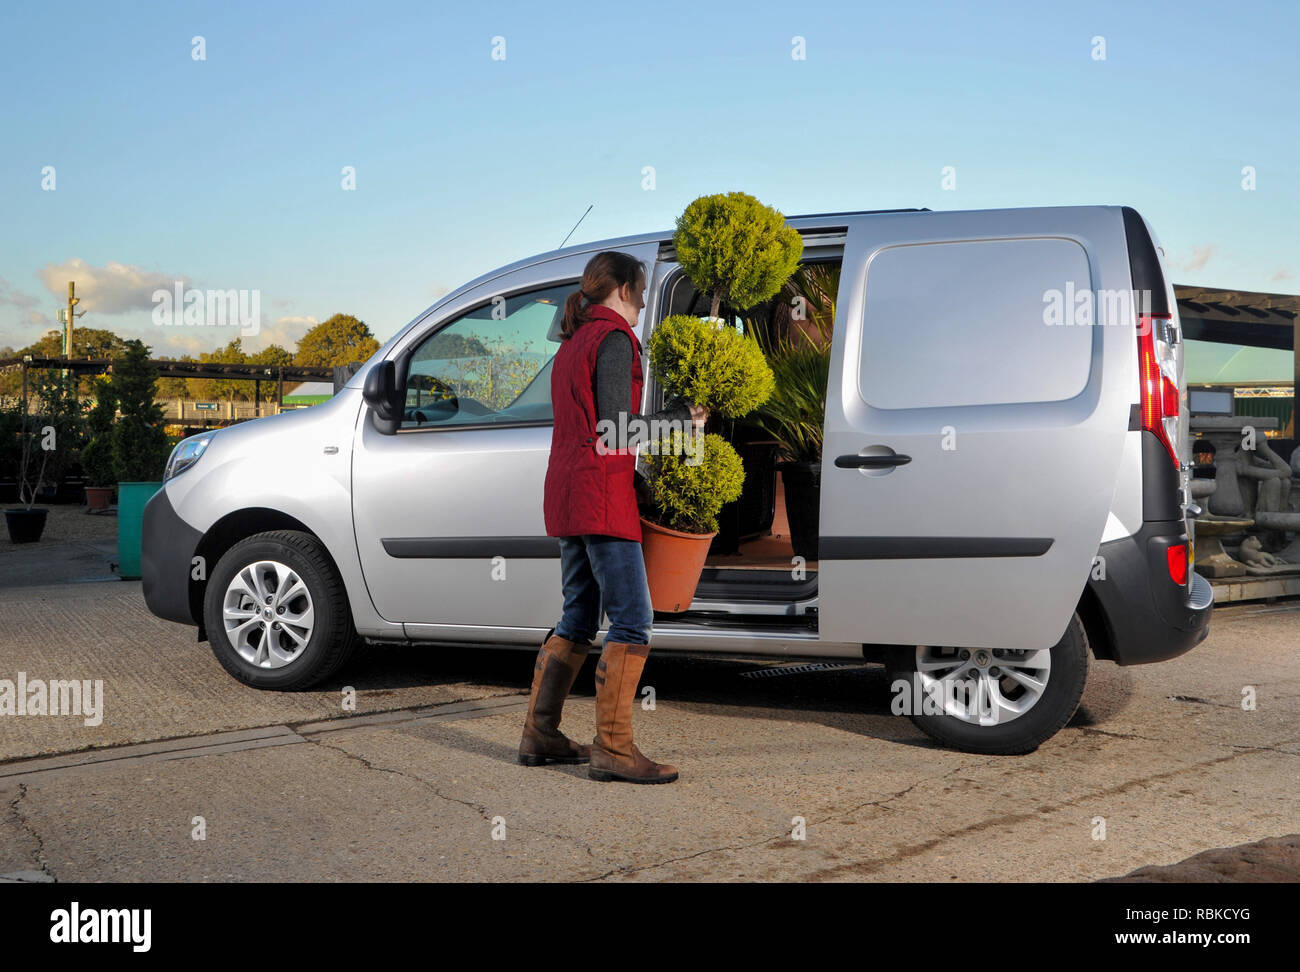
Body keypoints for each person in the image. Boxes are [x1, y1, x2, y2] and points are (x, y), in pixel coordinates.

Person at [518, 251, 707, 784]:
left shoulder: (573, 341)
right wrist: (681, 420)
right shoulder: (615, 338)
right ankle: (615, 749)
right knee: (631, 619)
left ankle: (541, 733)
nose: (646, 300)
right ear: (623, 287)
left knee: (578, 615)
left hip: (569, 493)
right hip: (601, 497)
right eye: (642, 289)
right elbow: (614, 430)